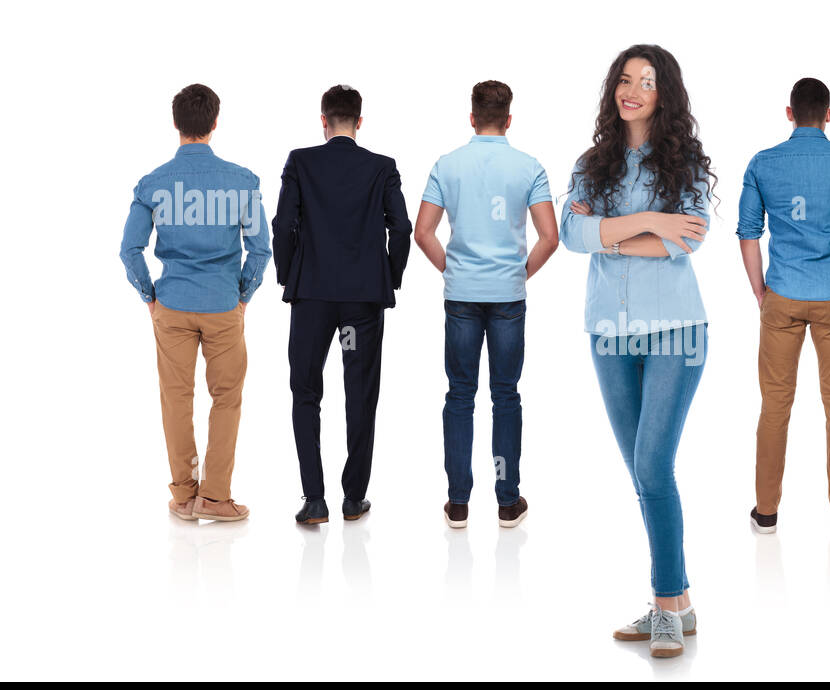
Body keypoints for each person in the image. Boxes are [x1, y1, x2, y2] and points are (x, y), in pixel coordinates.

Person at [559, 44, 714, 658]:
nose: (632, 91)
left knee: (653, 468)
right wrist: (650, 221)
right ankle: (678, 605)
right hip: (608, 333)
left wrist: (609, 235)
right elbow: (571, 234)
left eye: (645, 83)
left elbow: (689, 240)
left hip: (677, 330)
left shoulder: (688, 162)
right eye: (624, 80)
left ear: (663, 94)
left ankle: (666, 607)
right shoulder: (590, 163)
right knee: (642, 475)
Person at [119, 83, 270, 523]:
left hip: (173, 304)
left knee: (175, 398)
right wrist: (243, 295)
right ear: (214, 123)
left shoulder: (153, 184)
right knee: (227, 398)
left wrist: (150, 296)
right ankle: (216, 496)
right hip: (223, 305)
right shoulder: (242, 182)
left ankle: (185, 496)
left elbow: (130, 250)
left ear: (176, 124)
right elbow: (261, 249)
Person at [413, 80, 559, 529]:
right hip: (507, 297)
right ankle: (506, 499)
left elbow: (422, 232)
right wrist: (518, 273)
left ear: (472, 117)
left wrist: (453, 270)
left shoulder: (447, 165)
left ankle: (458, 502)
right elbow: (550, 238)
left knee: (459, 395)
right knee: (505, 396)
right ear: (508, 119)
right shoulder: (529, 166)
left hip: (461, 295)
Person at [736, 77, 830, 536]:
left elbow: (748, 233)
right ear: (829, 114)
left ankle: (765, 511)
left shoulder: (763, 164)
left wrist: (760, 291)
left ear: (790, 112)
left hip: (781, 294)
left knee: (775, 403)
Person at [272, 84, 412, 526]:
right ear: (359, 121)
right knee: (361, 394)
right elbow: (402, 229)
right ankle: (354, 498)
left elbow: (282, 225)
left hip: (311, 296)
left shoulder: (301, 161)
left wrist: (288, 274)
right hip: (362, 300)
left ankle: (314, 499)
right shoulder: (381, 167)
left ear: (323, 120)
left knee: (305, 392)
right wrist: (387, 277)